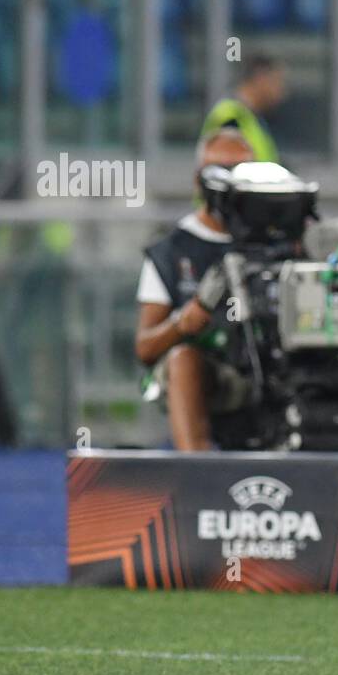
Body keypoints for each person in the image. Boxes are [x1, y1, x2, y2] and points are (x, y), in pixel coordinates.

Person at [134, 130, 255, 450]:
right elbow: (145, 347)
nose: (228, 185)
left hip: (276, 364)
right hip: (212, 373)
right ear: (198, 181)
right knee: (182, 358)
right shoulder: (171, 251)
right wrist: (182, 324)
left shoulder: (278, 237)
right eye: (218, 173)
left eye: (239, 172)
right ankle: (197, 470)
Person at [200, 54, 286, 164]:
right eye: (278, 81)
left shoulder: (251, 118)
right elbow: (226, 171)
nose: (282, 91)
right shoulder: (232, 117)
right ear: (261, 78)